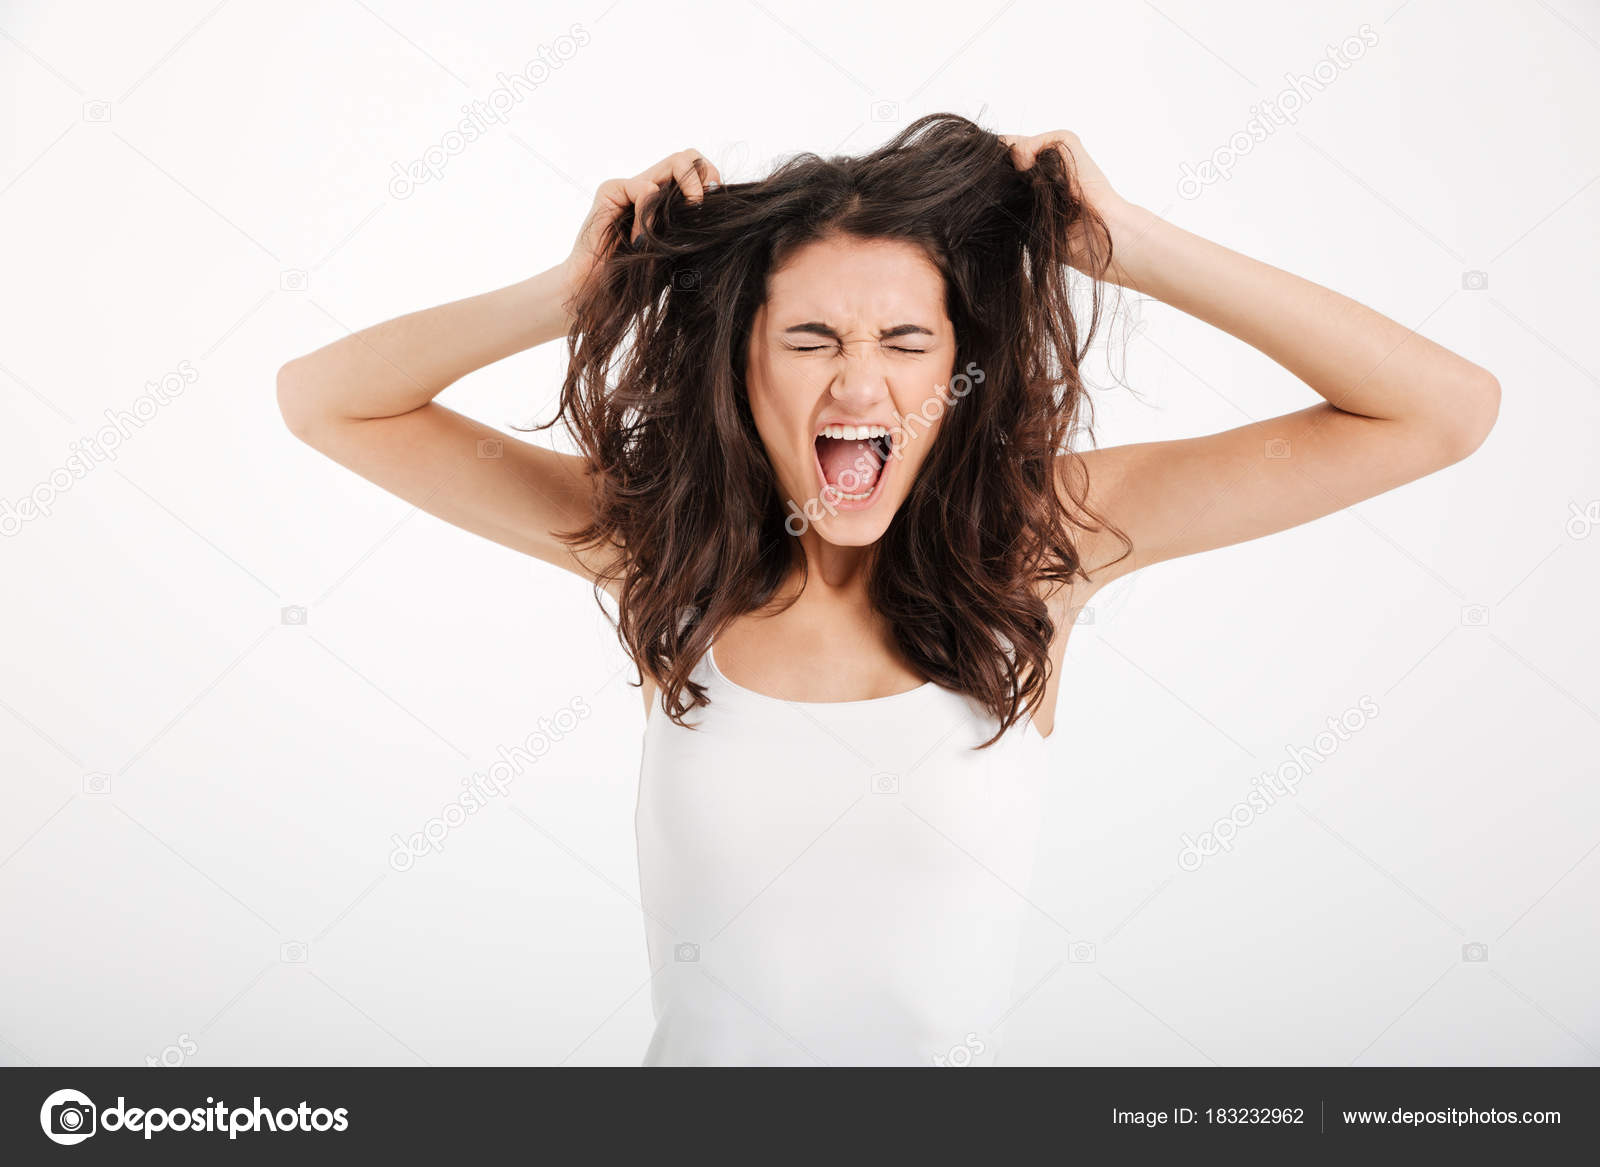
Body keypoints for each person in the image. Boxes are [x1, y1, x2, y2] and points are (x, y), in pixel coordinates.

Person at [276, 114, 1499, 1065]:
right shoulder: (666, 551)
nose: (859, 385)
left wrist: (1135, 247)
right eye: (810, 339)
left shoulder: (1043, 545)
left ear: (962, 367)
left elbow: (1439, 412)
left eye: (907, 344)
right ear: (741, 360)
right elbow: (327, 399)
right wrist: (578, 288)